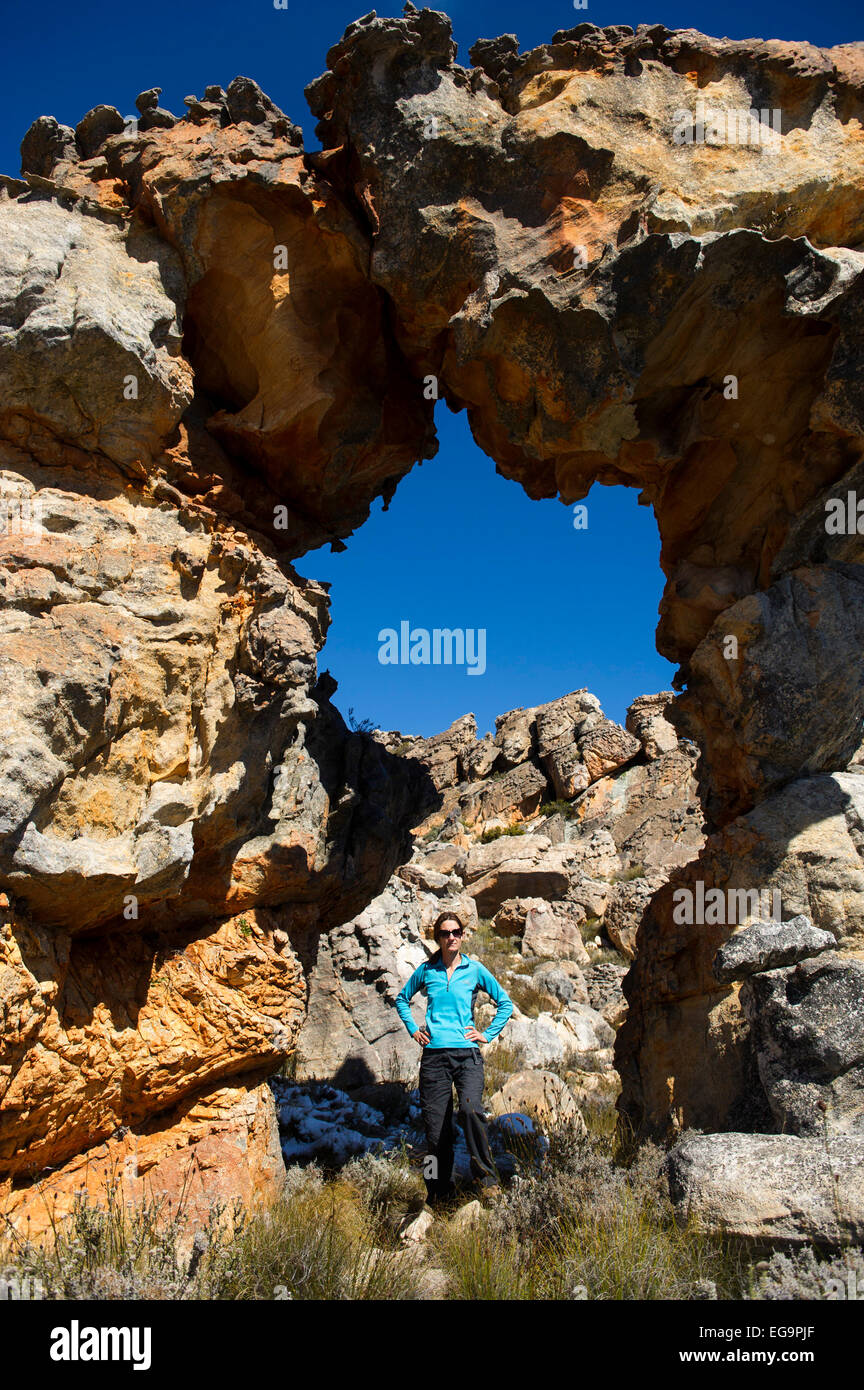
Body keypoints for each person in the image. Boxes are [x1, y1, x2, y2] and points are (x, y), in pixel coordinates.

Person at [395, 910, 513, 1204]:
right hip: (435, 1058)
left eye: (456, 932)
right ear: (438, 938)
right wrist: (413, 1030)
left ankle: (486, 1179)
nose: (451, 937)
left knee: (472, 1112)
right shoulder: (427, 970)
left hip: (467, 1056)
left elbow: (505, 1003)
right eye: (446, 933)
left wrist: (486, 1034)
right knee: (435, 1133)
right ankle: (437, 1190)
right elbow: (401, 999)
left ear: (462, 935)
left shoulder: (474, 969)